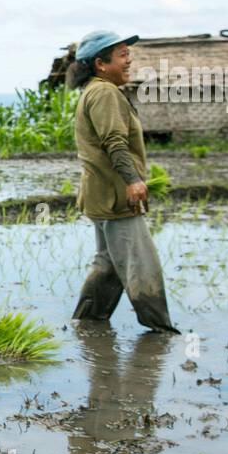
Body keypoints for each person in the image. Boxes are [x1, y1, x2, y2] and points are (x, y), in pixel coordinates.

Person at [67, 30, 178, 333]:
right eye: (122, 55)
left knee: (109, 265)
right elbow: (114, 143)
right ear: (101, 64)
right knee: (142, 266)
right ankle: (162, 332)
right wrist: (133, 180)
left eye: (128, 54)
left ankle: (87, 324)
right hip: (116, 196)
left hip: (101, 195)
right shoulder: (104, 93)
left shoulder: (95, 90)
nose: (129, 60)